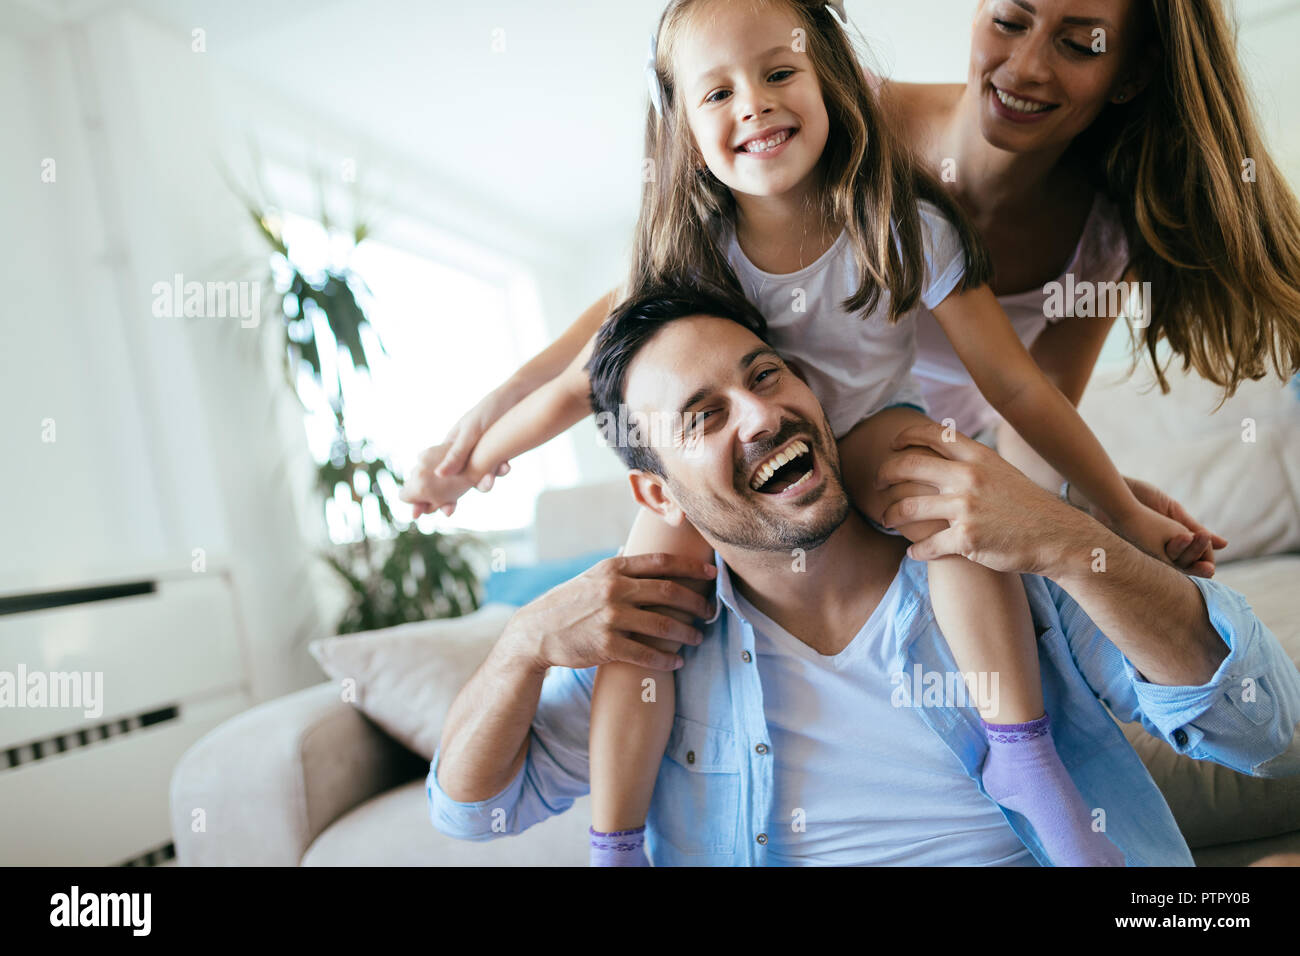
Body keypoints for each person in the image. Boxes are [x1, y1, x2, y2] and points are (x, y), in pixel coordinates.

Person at [409, 0, 1222, 866]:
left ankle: (1021, 754)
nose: (753, 104)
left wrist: (1115, 516)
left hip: (870, 430)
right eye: (715, 94)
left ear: (832, 82)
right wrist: (478, 457)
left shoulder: (904, 220)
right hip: (747, 464)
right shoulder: (695, 253)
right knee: (642, 606)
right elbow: (582, 384)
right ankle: (617, 841)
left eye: (779, 73)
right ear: (683, 128)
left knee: (951, 514)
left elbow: (1021, 386)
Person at [428, 289, 1300, 866]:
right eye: (705, 416)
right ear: (658, 492)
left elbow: (1262, 730)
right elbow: (473, 811)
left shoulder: (998, 557)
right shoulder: (652, 645)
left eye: (766, 375)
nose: (764, 414)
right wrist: (520, 647)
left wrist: (1071, 540)